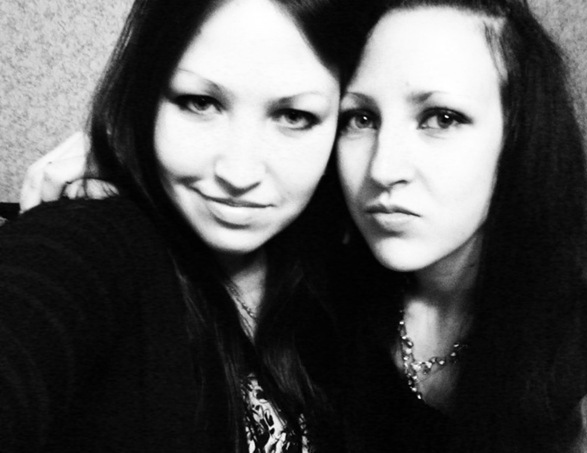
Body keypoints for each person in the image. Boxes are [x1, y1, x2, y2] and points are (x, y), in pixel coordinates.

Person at [0, 0, 376, 451]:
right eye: (200, 103)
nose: (239, 173)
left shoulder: (344, 274)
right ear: (145, 100)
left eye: (294, 117)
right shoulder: (97, 241)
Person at [335, 0, 587, 451]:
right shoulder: (322, 298)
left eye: (442, 118)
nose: (382, 169)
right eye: (361, 118)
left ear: (520, 135)